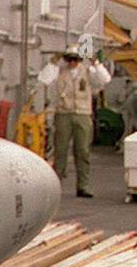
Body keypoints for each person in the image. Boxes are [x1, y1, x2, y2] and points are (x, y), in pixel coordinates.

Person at [37, 45, 111, 197]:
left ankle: (83, 186)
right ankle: (56, 185)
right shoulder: (59, 72)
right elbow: (44, 79)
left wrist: (95, 63)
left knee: (83, 151)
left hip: (83, 114)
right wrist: (53, 62)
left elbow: (105, 79)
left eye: (76, 59)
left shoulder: (88, 72)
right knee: (60, 151)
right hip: (63, 113)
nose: (72, 63)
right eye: (69, 59)